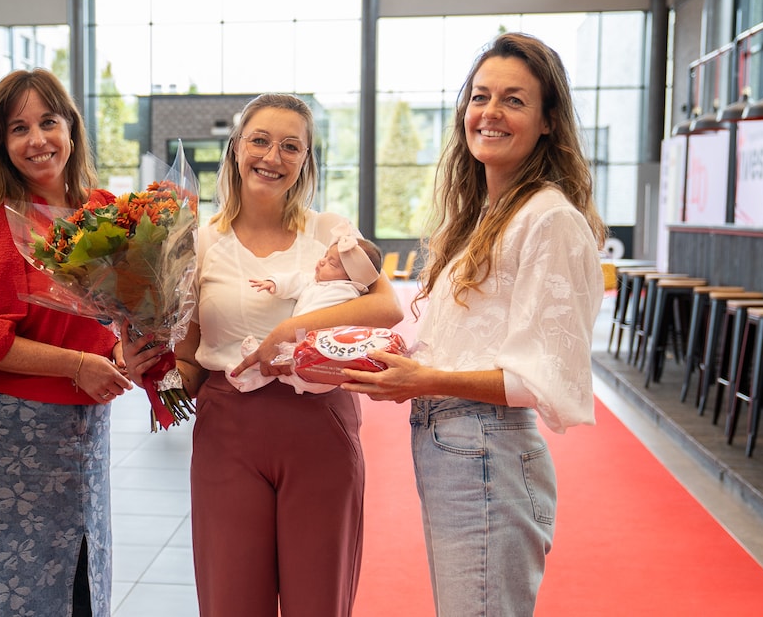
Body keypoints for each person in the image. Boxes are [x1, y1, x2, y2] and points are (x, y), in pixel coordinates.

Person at [342, 32, 607, 615]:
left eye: (514, 100)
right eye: (481, 96)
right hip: (461, 447)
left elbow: (542, 381)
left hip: (487, 447)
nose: (490, 112)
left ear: (548, 122)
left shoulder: (548, 219)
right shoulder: (491, 213)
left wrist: (424, 380)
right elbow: (460, 339)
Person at [123, 93, 404, 617]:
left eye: (290, 146)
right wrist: (148, 368)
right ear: (235, 149)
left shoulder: (330, 233)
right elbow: (188, 364)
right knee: (231, 600)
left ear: (305, 162)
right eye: (260, 140)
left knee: (319, 600)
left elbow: (387, 307)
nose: (272, 157)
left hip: (320, 425)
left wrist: (292, 330)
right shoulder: (197, 242)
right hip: (229, 433)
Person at [0, 68, 132, 617]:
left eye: (48, 121)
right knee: (7, 587)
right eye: (18, 128)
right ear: (0, 145)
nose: (37, 140)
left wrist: (124, 350)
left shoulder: (103, 210)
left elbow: (117, 317)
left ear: (70, 127)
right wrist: (77, 365)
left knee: (79, 578)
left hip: (85, 430)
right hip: (11, 437)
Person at [229, 231, 383, 393]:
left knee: (293, 361)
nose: (322, 262)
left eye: (332, 264)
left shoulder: (346, 292)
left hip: (319, 353)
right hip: (302, 345)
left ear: (353, 277)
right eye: (325, 256)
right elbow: (298, 281)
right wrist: (275, 282)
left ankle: (261, 366)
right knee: (284, 367)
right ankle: (255, 378)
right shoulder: (317, 282)